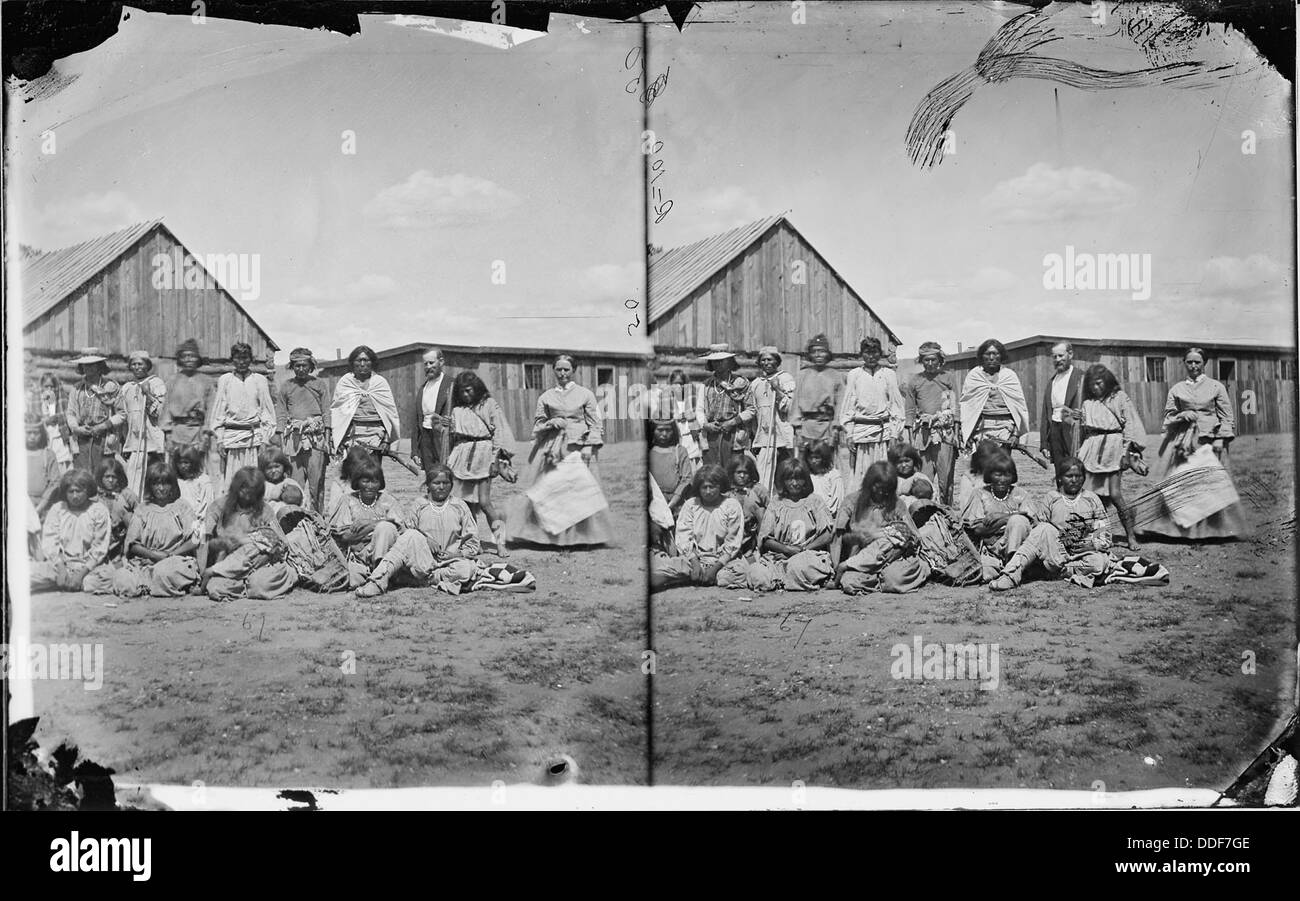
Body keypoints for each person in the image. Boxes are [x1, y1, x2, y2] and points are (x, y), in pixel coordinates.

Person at [1141, 347, 1247, 540]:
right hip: (1184, 443)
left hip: (1210, 441)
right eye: (1189, 362)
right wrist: (1182, 414)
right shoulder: (1177, 389)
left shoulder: (1216, 387)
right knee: (1183, 485)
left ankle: (1214, 531)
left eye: (1197, 362)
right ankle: (1182, 532)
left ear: (1204, 363)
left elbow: (1227, 417)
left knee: (1210, 487)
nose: (1193, 366)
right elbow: (1167, 418)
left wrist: (1221, 439)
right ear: (1184, 363)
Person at [507, 354, 611, 546]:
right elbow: (538, 424)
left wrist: (589, 446)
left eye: (566, 369)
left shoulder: (585, 394)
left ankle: (580, 537)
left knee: (576, 491)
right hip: (552, 448)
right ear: (554, 370)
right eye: (559, 369)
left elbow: (596, 424)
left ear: (573, 371)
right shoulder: (546, 396)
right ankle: (551, 537)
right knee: (551, 489)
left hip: (578, 447)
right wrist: (550, 422)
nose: (562, 373)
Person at [355, 465, 480, 598]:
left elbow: (472, 543)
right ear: (428, 485)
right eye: (436, 483)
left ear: (451, 484)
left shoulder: (460, 506)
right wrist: (425, 539)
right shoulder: (420, 504)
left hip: (448, 564)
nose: (441, 487)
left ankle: (424, 579)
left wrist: (454, 555)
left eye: (446, 483)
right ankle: (377, 582)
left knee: (467, 569)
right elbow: (406, 534)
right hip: (422, 560)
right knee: (411, 535)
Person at [989, 458, 1112, 590]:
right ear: (1060, 478)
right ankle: (1011, 575)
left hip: (1082, 554)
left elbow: (1105, 533)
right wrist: (1063, 538)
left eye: (1078, 476)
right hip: (1056, 551)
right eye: (1069, 476)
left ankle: (1059, 571)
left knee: (1099, 563)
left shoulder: (1092, 499)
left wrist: (1092, 545)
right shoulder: (1052, 498)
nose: (1074, 480)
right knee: (1044, 528)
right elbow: (1038, 531)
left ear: (1084, 478)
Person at [84, 462, 200, 597]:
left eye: (165, 484)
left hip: (174, 559)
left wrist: (169, 555)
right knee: (122, 578)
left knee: (165, 572)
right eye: (156, 484)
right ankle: (148, 586)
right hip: (145, 562)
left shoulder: (181, 506)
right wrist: (153, 555)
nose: (161, 488)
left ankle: (146, 586)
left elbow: (194, 539)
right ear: (150, 486)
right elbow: (132, 544)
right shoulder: (142, 509)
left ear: (172, 485)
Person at [718, 458, 834, 591]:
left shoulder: (814, 501)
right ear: (782, 481)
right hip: (778, 557)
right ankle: (780, 580)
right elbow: (766, 538)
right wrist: (786, 550)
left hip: (808, 555)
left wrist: (801, 551)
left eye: (799, 479)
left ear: (805, 480)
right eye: (789, 479)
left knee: (799, 567)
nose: (794, 483)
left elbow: (827, 534)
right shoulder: (776, 503)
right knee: (756, 574)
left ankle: (784, 580)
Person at [201, 467, 296, 601]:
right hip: (229, 563)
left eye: (253, 489)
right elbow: (204, 540)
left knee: (258, 585)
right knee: (215, 587)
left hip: (260, 562)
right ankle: (244, 586)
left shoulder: (265, 510)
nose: (247, 493)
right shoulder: (219, 506)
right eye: (243, 488)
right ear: (235, 487)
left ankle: (252, 585)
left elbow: (282, 541)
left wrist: (255, 544)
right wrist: (222, 544)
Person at [835, 461, 931, 594]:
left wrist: (899, 548)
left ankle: (884, 578)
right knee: (849, 581)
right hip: (862, 558)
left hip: (892, 556)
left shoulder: (897, 503)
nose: (881, 492)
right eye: (877, 487)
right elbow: (837, 535)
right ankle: (877, 580)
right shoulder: (852, 501)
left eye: (885, 489)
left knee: (894, 579)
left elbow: (913, 535)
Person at [1077, 363, 1146, 547]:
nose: (1096, 387)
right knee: (1090, 497)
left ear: (1106, 381)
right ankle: (1097, 536)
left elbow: (1129, 426)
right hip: (1092, 448)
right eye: (1092, 384)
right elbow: (1083, 431)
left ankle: (1130, 536)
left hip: (1113, 449)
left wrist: (1125, 452)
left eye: (1099, 383)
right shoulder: (1087, 403)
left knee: (1115, 495)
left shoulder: (1119, 398)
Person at [446, 370, 512, 554]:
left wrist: (495, 459)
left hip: (483, 455)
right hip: (462, 455)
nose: (466, 395)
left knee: (485, 503)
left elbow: (498, 431)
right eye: (462, 392)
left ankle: (500, 543)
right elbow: (451, 437)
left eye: (469, 390)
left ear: (476, 388)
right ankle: (474, 542)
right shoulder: (457, 410)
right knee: (466, 505)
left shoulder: (489, 404)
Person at [649, 465, 744, 590]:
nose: (708, 491)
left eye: (712, 487)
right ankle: (696, 575)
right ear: (698, 488)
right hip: (694, 559)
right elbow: (684, 537)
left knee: (737, 574)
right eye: (704, 487)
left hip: (723, 562)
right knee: (659, 568)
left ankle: (696, 577)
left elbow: (733, 542)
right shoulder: (691, 505)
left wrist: (715, 568)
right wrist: (695, 563)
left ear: (720, 486)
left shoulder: (731, 505)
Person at [328, 456, 406, 587]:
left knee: (385, 528)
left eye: (374, 482)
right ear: (357, 482)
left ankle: (381, 574)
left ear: (380, 483)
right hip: (360, 556)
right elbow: (345, 535)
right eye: (365, 481)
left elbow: (400, 528)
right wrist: (372, 528)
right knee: (348, 581)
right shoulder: (347, 501)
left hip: (387, 553)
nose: (370, 486)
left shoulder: (388, 501)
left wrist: (372, 523)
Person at [960, 451, 1038, 582]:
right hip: (993, 548)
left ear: (1013, 476)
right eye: (998, 474)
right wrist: (1006, 519)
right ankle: (1011, 568)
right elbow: (978, 529)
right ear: (989, 475)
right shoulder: (979, 494)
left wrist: (1002, 516)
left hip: (1020, 545)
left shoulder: (1020, 494)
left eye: (1007, 475)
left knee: (1018, 521)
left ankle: (1014, 567)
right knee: (982, 573)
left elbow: (1031, 522)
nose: (1002, 479)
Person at [209, 342, 277, 490]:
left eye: (245, 358)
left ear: (251, 359)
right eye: (238, 358)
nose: (242, 362)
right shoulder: (225, 380)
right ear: (232, 359)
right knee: (231, 480)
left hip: (253, 438)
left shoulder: (259, 380)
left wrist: (265, 440)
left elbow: (267, 411)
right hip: (231, 438)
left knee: (253, 480)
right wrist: (220, 439)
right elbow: (219, 410)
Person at [30, 469, 111, 592]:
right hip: (60, 565)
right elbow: (50, 542)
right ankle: (63, 581)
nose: (74, 496)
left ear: (87, 490)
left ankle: (71, 583)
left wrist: (80, 575)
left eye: (78, 491)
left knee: (106, 579)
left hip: (89, 568)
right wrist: (62, 570)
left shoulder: (99, 510)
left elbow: (100, 547)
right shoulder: (58, 509)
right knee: (30, 573)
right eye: (70, 491)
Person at [840, 337, 905, 484]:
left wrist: (894, 434)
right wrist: (849, 433)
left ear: (880, 354)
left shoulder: (888, 374)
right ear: (861, 354)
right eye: (867, 352)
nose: (871, 356)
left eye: (875, 352)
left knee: (883, 473)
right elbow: (848, 405)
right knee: (861, 475)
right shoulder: (854, 375)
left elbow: (896, 405)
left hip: (883, 433)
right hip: (861, 432)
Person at [902, 341, 960, 505]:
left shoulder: (948, 378)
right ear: (921, 360)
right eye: (926, 360)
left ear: (940, 359)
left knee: (945, 479)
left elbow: (954, 408)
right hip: (923, 435)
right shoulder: (915, 381)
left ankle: (947, 513)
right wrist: (912, 441)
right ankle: (927, 514)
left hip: (945, 434)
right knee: (923, 480)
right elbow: (910, 410)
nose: (930, 363)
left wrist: (955, 433)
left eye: (933, 359)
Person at [276, 347, 332, 511]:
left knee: (316, 485)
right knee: (295, 485)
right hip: (294, 441)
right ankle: (297, 520)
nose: (300, 369)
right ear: (292, 367)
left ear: (311, 366)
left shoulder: (319, 384)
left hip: (316, 439)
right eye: (297, 365)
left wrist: (327, 441)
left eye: (304, 365)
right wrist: (281, 444)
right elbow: (281, 413)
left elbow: (326, 412)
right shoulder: (287, 386)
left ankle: (318, 521)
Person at [329, 345, 400, 473]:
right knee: (352, 477)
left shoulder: (380, 383)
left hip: (376, 438)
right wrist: (338, 439)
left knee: (372, 475)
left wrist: (386, 441)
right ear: (352, 363)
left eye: (366, 360)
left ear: (372, 362)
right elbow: (338, 413)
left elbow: (390, 415)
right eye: (358, 360)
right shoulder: (345, 383)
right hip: (352, 438)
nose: (362, 364)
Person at [959, 338, 1029, 452]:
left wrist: (1015, 435)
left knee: (1001, 465)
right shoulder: (974, 376)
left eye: (995, 354)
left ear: (1001, 356)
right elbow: (968, 407)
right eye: (988, 354)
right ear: (982, 356)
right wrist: (969, 432)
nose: (991, 357)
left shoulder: (1009, 376)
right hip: (982, 428)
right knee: (983, 466)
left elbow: (1019, 409)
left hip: (1005, 428)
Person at [696, 343, 756, 471]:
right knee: (712, 471)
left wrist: (732, 422)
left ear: (730, 362)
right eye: (714, 362)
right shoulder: (706, 385)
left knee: (732, 470)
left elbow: (751, 410)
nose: (718, 364)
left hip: (733, 434)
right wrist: (706, 425)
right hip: (712, 433)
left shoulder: (741, 384)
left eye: (721, 361)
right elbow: (700, 410)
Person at [162, 338, 217, 474]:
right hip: (177, 433)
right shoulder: (171, 381)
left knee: (199, 470)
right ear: (180, 359)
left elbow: (211, 409)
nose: (188, 359)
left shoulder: (207, 382)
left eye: (192, 356)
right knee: (177, 469)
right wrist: (168, 436)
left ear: (198, 359)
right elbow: (166, 410)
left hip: (198, 432)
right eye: (185, 356)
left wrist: (206, 434)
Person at [119, 350, 168, 498]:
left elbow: (158, 413)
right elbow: (124, 415)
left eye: (140, 364)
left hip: (150, 443)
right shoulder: (127, 387)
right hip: (134, 443)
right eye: (133, 364)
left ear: (147, 366)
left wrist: (147, 393)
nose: (137, 367)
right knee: (133, 479)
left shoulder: (156, 384)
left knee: (150, 479)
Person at [65, 348, 123, 473]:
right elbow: (71, 413)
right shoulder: (77, 389)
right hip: (82, 438)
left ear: (99, 366)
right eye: (85, 365)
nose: (88, 368)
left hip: (103, 439)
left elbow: (122, 414)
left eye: (92, 365)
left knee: (103, 473)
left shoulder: (111, 387)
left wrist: (102, 426)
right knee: (82, 475)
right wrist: (76, 428)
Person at [750, 346, 796, 495]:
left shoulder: (785, 379)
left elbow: (790, 406)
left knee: (783, 472)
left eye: (770, 359)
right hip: (763, 436)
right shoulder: (756, 383)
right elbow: (753, 409)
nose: (766, 363)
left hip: (780, 434)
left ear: (777, 361)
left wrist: (777, 389)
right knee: (764, 472)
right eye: (763, 360)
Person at [791, 333, 845, 455]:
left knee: (826, 463)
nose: (818, 355)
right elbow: (795, 404)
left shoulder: (836, 376)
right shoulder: (802, 376)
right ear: (810, 354)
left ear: (828, 354)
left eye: (822, 351)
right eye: (814, 351)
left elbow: (840, 404)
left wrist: (836, 428)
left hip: (827, 427)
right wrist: (798, 430)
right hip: (807, 428)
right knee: (805, 463)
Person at [1041, 342, 1086, 478]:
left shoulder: (1082, 377)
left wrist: (1083, 414)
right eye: (1054, 357)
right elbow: (1045, 413)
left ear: (1070, 354)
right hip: (1055, 431)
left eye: (1061, 355)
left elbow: (1092, 405)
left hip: (1074, 430)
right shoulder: (1052, 381)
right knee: (1060, 471)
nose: (1057, 360)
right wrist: (1044, 443)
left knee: (1076, 469)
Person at [411, 347, 454, 473]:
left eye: (431, 362)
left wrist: (452, 422)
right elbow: (416, 421)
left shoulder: (452, 384)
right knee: (430, 476)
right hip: (426, 438)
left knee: (446, 474)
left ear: (441, 362)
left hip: (444, 437)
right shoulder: (423, 388)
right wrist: (415, 450)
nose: (428, 367)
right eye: (425, 364)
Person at [649, 417, 694, 515]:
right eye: (660, 430)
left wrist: (672, 503)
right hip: (654, 502)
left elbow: (686, 479)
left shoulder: (680, 451)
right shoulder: (649, 453)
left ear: (673, 431)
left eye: (668, 430)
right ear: (653, 431)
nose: (664, 434)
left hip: (677, 503)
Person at [95, 458, 137, 561]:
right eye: (107, 476)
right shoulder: (96, 495)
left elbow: (139, 516)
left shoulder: (127, 494)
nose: (110, 480)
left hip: (121, 539)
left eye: (113, 477)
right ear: (101, 477)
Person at [727, 454, 769, 556]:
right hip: (732, 532)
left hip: (753, 533)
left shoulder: (758, 489)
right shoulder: (728, 492)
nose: (742, 476)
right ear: (732, 473)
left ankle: (760, 548)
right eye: (738, 472)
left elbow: (770, 509)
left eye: (745, 473)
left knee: (762, 511)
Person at [33, 373, 76, 471]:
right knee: (46, 464)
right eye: (46, 386)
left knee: (61, 463)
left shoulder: (60, 399)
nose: (49, 389)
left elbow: (67, 415)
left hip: (58, 438)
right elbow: (34, 419)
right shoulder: (37, 401)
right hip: (44, 438)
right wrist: (46, 420)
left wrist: (58, 417)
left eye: (52, 386)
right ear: (41, 387)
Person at [173, 446, 214, 542]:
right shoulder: (175, 480)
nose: (183, 466)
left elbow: (207, 505)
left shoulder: (203, 480)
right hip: (178, 520)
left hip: (198, 521)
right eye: (180, 463)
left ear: (193, 463)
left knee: (200, 537)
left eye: (186, 463)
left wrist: (196, 522)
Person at [26, 419, 61, 517]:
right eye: (28, 433)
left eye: (36, 433)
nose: (32, 436)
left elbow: (55, 482)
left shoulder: (48, 455)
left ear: (41, 434)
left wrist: (40, 507)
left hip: (43, 508)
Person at [805, 439, 844, 520]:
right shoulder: (807, 474)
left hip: (827, 516)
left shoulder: (833, 475)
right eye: (811, 458)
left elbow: (837, 501)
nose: (813, 461)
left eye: (817, 458)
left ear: (824, 458)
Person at [888, 444, 935, 509]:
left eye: (907, 461)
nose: (904, 465)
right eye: (900, 462)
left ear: (914, 461)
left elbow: (931, 496)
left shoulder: (919, 477)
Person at [259, 447, 303, 514]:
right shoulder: (262, 486)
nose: (273, 471)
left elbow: (302, 502)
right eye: (269, 468)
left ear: (284, 466)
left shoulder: (290, 482)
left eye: (277, 466)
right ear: (263, 470)